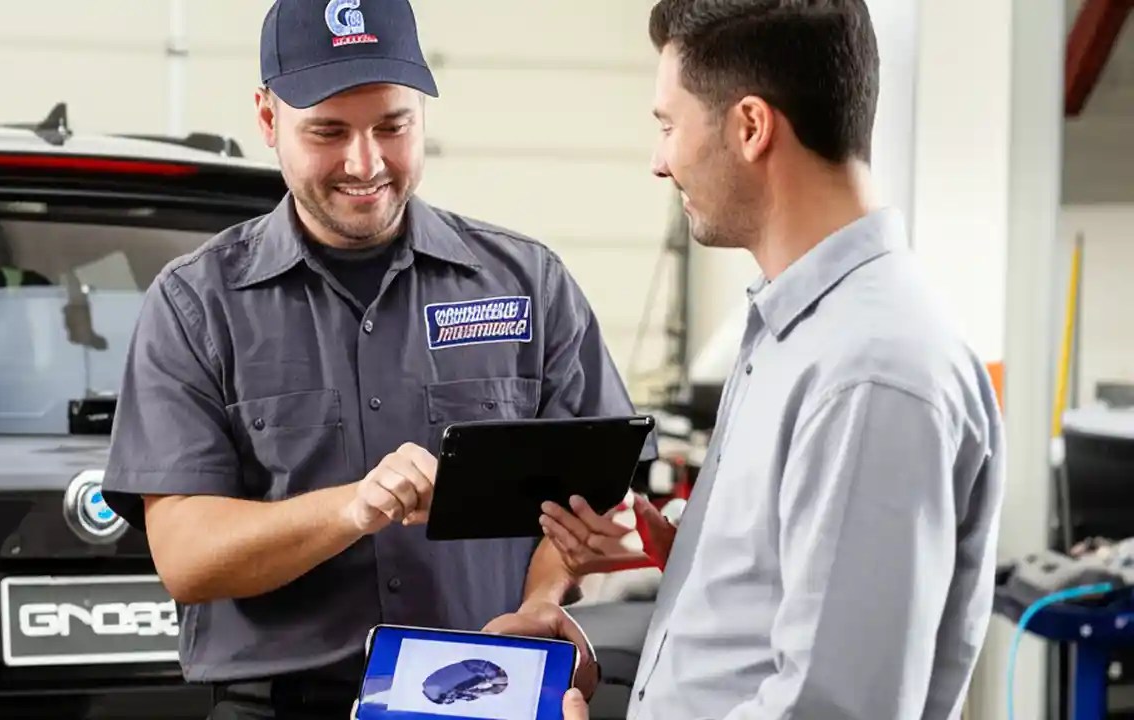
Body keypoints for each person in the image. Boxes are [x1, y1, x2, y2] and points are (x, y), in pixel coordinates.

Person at [101, 0, 650, 717]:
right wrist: (351, 508)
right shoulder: (197, 305)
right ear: (268, 119)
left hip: (483, 694)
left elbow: (592, 501)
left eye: (393, 126)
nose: (366, 164)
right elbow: (186, 558)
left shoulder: (527, 284)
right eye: (328, 132)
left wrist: (545, 594)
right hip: (282, 703)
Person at [490, 1, 1007, 719]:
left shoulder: (868, 372)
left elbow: (832, 710)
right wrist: (705, 558)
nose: (658, 160)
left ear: (751, 127)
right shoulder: (792, 329)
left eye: (669, 125)